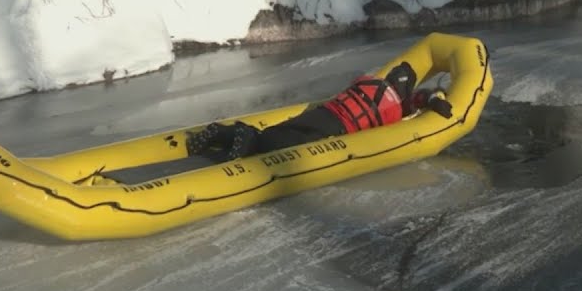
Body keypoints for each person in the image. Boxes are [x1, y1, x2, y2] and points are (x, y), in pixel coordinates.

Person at [186, 61, 454, 163]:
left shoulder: (369, 81)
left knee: (286, 129)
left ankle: (225, 133)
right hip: (337, 128)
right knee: (287, 144)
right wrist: (434, 100)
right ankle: (246, 138)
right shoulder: (397, 106)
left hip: (325, 111)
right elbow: (420, 99)